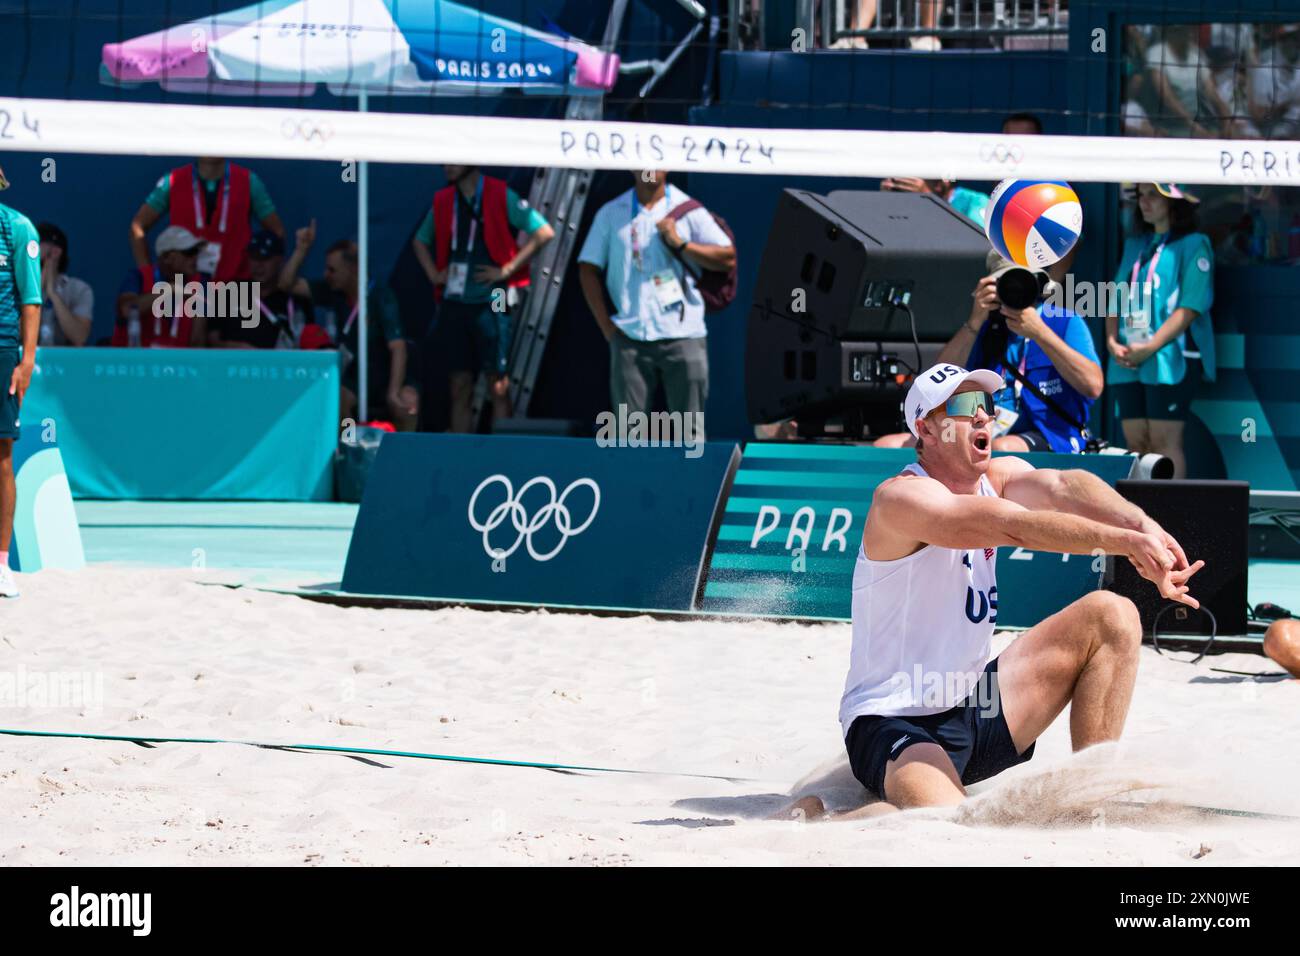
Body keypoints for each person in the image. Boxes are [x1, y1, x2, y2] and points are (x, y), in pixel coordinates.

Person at [787, 365, 1202, 818]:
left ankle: (1093, 794)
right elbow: (1012, 526)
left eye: (986, 406)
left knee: (1114, 615)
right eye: (966, 407)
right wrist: (1122, 543)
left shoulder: (998, 477)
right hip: (893, 719)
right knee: (950, 825)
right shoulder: (902, 499)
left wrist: (1142, 525)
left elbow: (1066, 485)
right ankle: (823, 815)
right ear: (925, 428)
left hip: (973, 706)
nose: (984, 417)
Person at [875, 257, 1102, 453]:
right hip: (980, 430)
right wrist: (974, 321)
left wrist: (1040, 332)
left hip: (1053, 435)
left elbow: (1093, 385)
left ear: (1038, 284)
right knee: (888, 446)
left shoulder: (1063, 321)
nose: (1016, 292)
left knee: (1002, 448)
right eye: (1007, 284)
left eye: (1023, 283)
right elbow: (938, 384)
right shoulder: (985, 326)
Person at [578, 170, 735, 441]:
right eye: (642, 162)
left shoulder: (689, 210)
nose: (648, 168)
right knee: (627, 435)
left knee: (691, 435)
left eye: (656, 161)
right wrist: (608, 328)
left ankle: (691, 484)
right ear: (629, 167)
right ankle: (631, 484)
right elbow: (588, 268)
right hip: (630, 337)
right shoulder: (611, 212)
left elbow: (727, 258)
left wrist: (681, 244)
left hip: (685, 335)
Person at [412, 165, 554, 431]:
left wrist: (508, 269)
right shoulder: (444, 200)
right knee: (459, 384)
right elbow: (419, 241)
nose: (447, 166)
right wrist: (434, 274)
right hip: (455, 300)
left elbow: (544, 232)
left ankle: (501, 458)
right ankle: (461, 458)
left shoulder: (500, 194)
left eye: (454, 160)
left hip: (495, 296)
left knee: (498, 383)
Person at [1105, 183, 1215, 479]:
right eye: (1140, 195)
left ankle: (1170, 519)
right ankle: (1141, 517)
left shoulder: (1195, 244)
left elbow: (1191, 306)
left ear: (1173, 201)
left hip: (1170, 358)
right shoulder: (1134, 244)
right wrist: (1112, 341)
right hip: (1128, 359)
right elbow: (1114, 297)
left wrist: (1151, 347)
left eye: (1152, 194)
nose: (1144, 202)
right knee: (1137, 444)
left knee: (1165, 444)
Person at [281, 229, 415, 430]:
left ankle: (403, 456)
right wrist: (301, 250)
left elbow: (398, 347)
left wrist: (393, 391)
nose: (326, 275)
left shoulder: (381, 298)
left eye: (332, 269)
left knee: (408, 403)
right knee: (339, 397)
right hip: (355, 379)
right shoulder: (333, 292)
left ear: (353, 269)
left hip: (385, 376)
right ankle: (348, 446)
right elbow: (286, 284)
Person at [129, 156, 284, 283]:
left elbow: (277, 232)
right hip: (183, 287)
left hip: (238, 287)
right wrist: (148, 279)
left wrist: (267, 283)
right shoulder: (172, 181)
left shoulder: (249, 181)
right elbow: (137, 226)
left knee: (246, 320)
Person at [0, 163, 41, 598]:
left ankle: (2, 564)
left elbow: (31, 301)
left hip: (2, 349)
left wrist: (27, 360)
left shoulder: (18, 228)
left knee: (1, 457)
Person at [211, 230, 313, 349]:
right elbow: (211, 342)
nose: (258, 265)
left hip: (280, 366)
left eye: (265, 258)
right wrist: (234, 348)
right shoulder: (228, 292)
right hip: (234, 365)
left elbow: (308, 343)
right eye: (254, 258)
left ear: (279, 260)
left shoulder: (296, 299)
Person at [114, 226, 209, 348]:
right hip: (135, 363)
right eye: (189, 253)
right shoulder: (138, 277)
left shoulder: (200, 283)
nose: (195, 258)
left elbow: (197, 342)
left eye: (196, 252)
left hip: (177, 364)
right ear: (167, 258)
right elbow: (126, 309)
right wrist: (169, 290)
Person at [36, 223, 92, 347]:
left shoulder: (79, 289)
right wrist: (36, 289)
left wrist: (52, 293)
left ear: (55, 252)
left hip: (67, 363)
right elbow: (15, 336)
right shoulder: (16, 286)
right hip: (25, 362)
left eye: (36, 243)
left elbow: (80, 337)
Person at [881, 177, 990, 227]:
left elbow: (978, 238)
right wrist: (887, 200)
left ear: (943, 181)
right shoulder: (910, 203)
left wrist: (928, 199)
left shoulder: (976, 201)